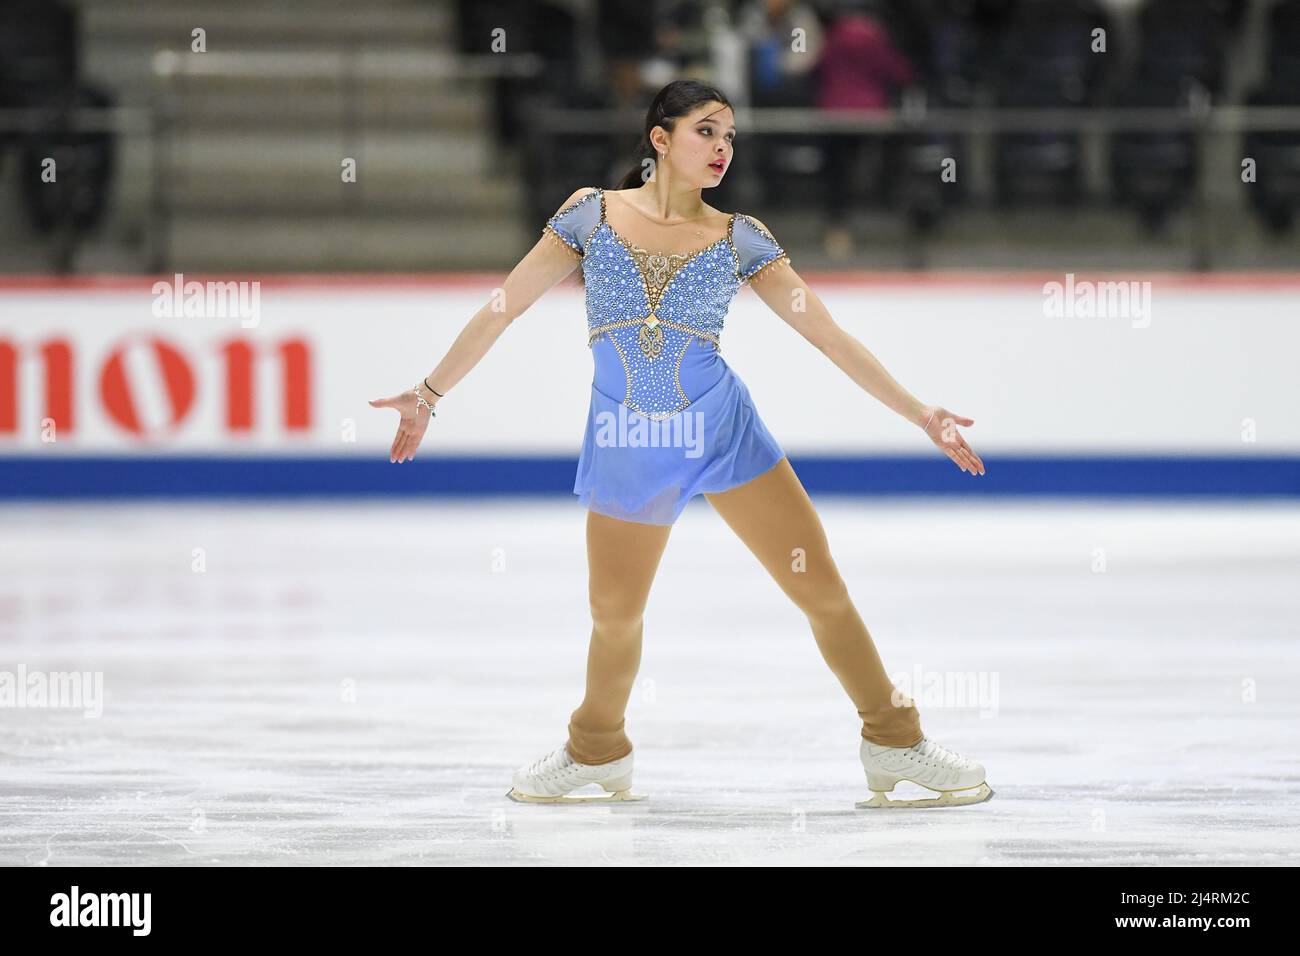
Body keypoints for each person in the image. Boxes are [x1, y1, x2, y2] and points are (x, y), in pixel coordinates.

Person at [369, 79, 993, 809]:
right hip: (629, 441)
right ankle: (596, 749)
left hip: (725, 435)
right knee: (616, 614)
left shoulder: (740, 237)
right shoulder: (589, 216)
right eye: (706, 130)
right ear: (659, 140)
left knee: (821, 590)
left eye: (730, 135)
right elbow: (503, 306)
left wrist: (920, 413)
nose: (722, 147)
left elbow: (828, 337)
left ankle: (893, 739)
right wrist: (429, 394)